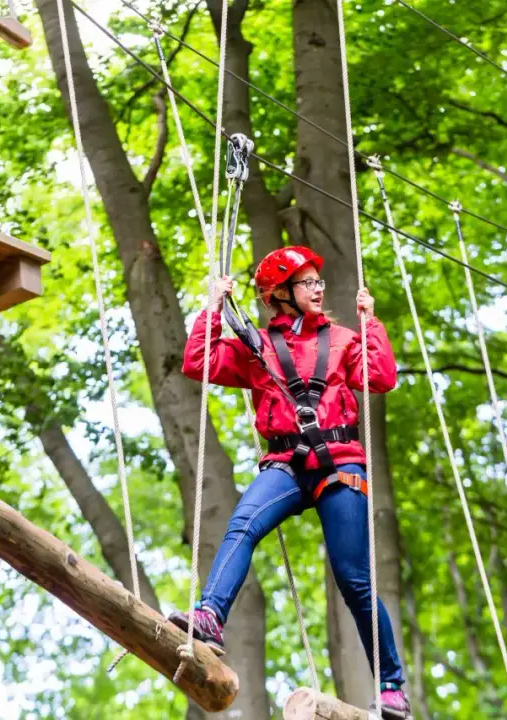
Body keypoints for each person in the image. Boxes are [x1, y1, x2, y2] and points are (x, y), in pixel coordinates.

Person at [169, 246, 412, 719]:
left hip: (340, 464)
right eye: (308, 282)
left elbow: (380, 378)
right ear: (280, 294)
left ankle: (392, 687)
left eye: (319, 281)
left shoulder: (342, 339)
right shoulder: (256, 346)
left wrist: (371, 324)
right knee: (243, 524)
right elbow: (198, 362)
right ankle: (210, 616)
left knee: (354, 578)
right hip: (286, 464)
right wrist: (212, 310)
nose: (319, 289)